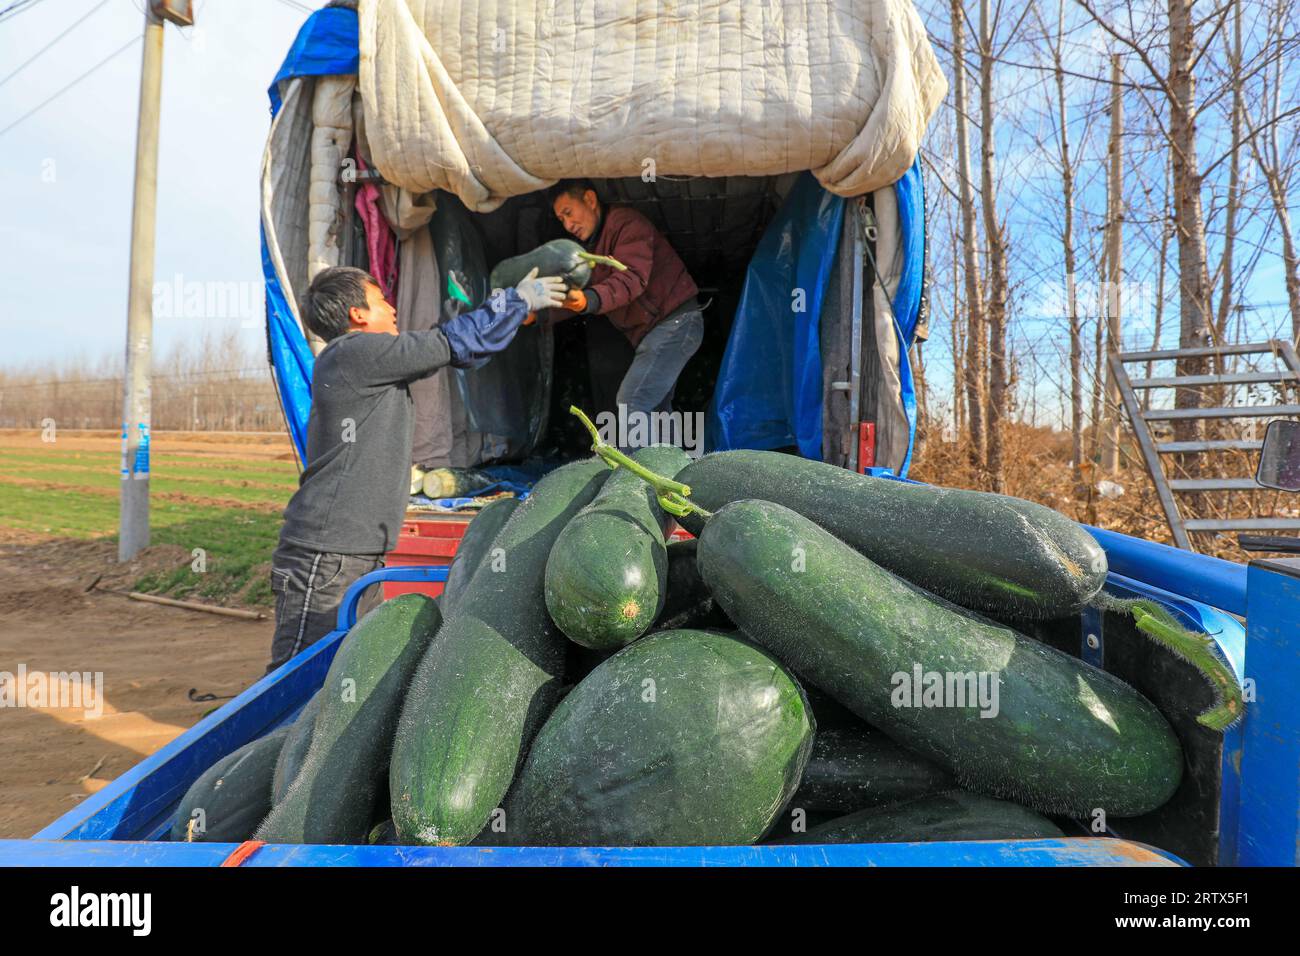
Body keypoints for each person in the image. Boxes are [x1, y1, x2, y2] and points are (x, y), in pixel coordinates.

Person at [266, 264, 565, 672]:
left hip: (352, 552)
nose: (391, 309)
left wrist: (508, 314)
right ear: (358, 315)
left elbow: (466, 349)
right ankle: (258, 738)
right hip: (327, 554)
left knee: (334, 676)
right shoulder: (356, 353)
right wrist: (515, 299)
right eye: (381, 300)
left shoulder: (364, 361)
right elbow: (451, 343)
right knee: (296, 678)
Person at [546, 179, 704, 429]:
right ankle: (672, 467)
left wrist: (590, 299)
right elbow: (578, 296)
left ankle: (639, 468)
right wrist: (539, 314)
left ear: (589, 199)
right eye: (561, 220)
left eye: (568, 213)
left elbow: (631, 277)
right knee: (657, 411)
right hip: (656, 333)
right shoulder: (591, 250)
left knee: (632, 402)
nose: (568, 225)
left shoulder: (626, 224)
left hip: (676, 324)